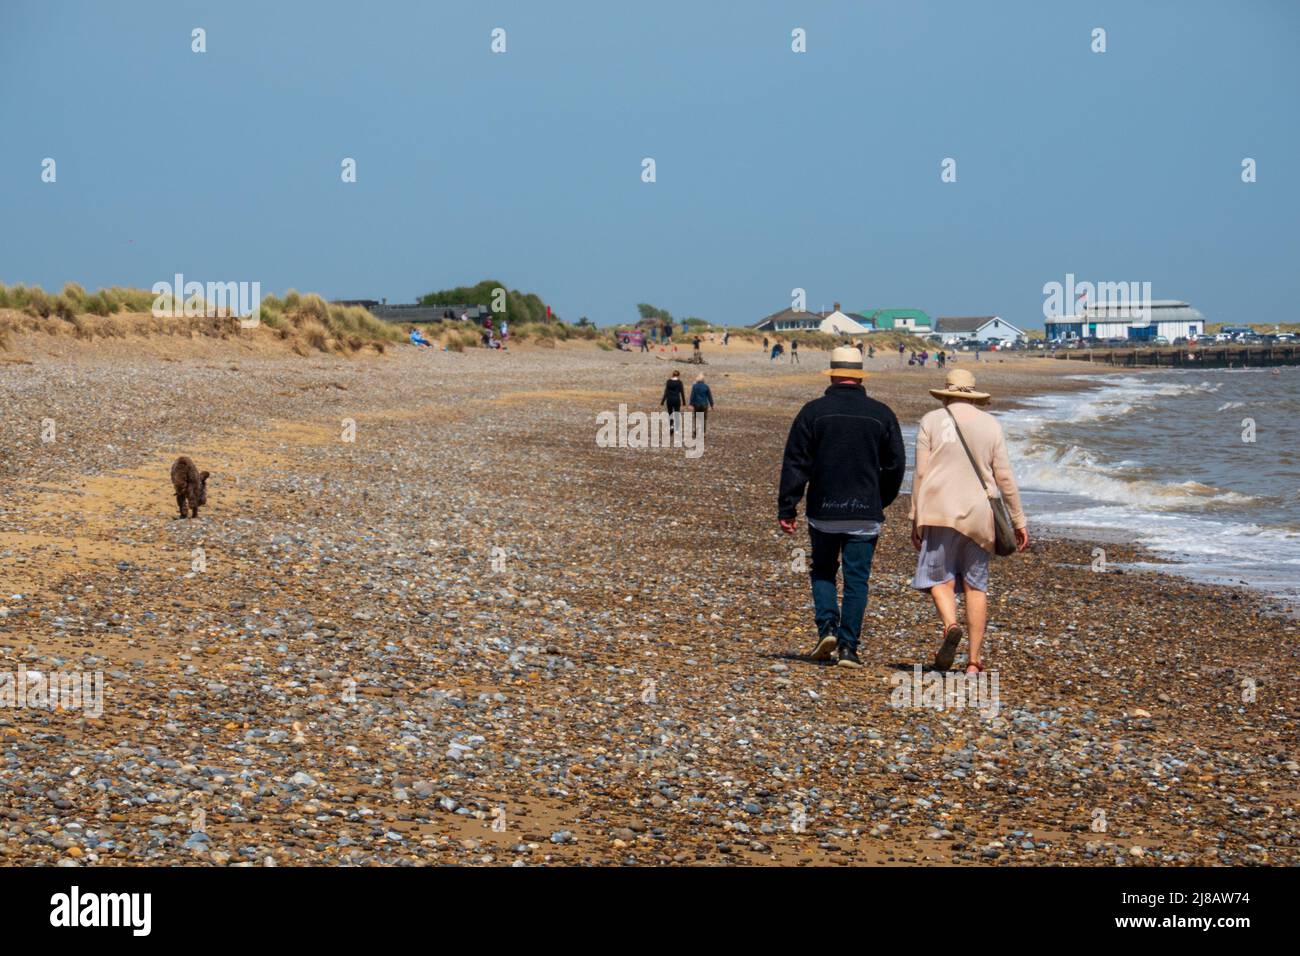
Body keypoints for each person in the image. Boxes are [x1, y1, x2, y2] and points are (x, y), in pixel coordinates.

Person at [778, 347, 906, 668]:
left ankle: (826, 629)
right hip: (865, 512)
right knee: (856, 579)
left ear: (833, 375)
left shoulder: (813, 412)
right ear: (860, 376)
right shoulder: (882, 414)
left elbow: (796, 462)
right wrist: (881, 499)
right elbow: (896, 466)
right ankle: (849, 648)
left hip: (824, 510)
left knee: (823, 570)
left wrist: (788, 507)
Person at [909, 369, 1029, 674]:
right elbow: (1004, 477)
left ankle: (951, 625)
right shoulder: (990, 425)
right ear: (973, 395)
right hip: (979, 514)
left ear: (947, 393)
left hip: (938, 509)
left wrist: (915, 517)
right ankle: (974, 662)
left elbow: (921, 473)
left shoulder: (931, 420)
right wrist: (1018, 520)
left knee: (939, 579)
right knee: (976, 587)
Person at [661, 369, 686, 437]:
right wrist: (684, 402)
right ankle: (677, 429)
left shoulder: (668, 382)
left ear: (672, 375)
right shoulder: (679, 382)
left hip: (669, 400)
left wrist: (663, 401)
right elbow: (682, 392)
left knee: (670, 413)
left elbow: (666, 392)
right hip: (676, 400)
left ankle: (671, 426)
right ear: (678, 375)